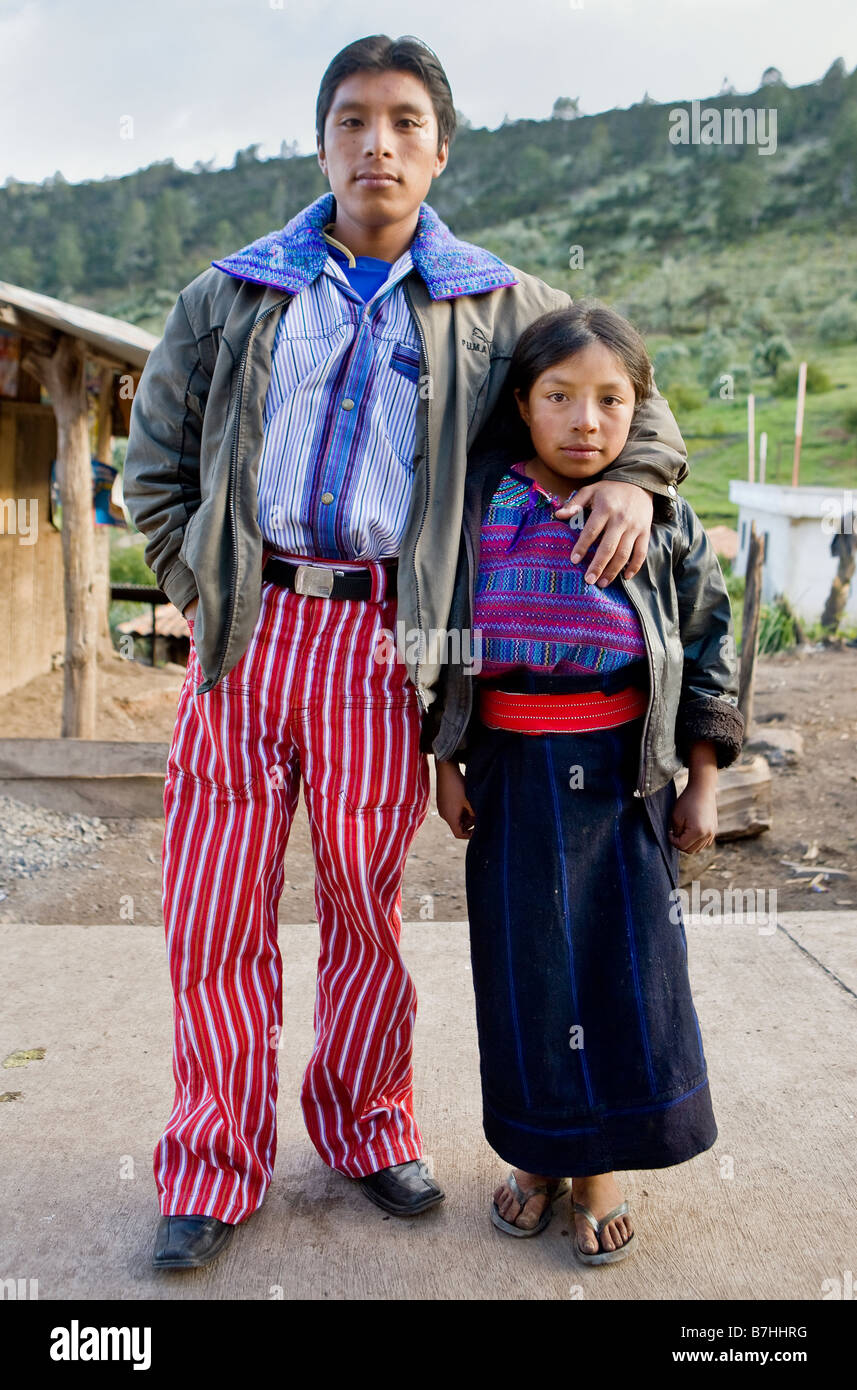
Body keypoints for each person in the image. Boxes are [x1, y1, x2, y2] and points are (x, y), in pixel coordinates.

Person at [123, 34, 691, 1271]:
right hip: (245, 631)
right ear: (320, 142)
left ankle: (367, 1126)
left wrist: (640, 481)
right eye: (349, 121)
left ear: (439, 148)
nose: (374, 143)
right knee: (212, 911)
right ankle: (212, 1159)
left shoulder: (495, 300)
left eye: (400, 121)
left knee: (363, 904)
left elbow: (628, 398)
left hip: (393, 637)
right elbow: (152, 461)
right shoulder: (235, 290)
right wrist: (200, 583)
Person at [435, 300, 744, 1265]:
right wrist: (445, 760)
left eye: (611, 400)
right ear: (521, 406)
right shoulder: (478, 506)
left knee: (626, 975)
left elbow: (705, 647)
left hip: (625, 781)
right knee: (525, 973)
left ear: (638, 409)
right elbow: (441, 640)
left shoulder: (661, 516)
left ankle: (601, 1165)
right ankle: (537, 1156)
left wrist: (700, 780)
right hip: (513, 776)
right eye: (559, 397)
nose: (585, 421)